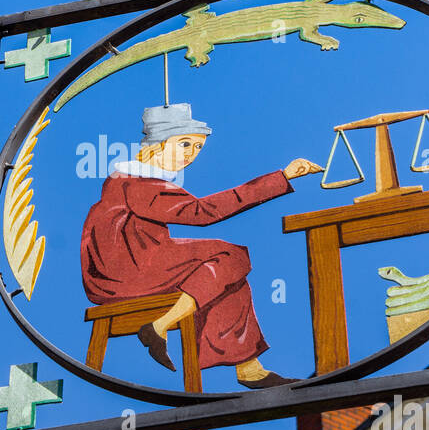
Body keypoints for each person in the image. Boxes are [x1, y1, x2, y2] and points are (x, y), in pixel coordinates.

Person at [80, 102, 322, 390]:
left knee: (228, 276)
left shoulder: (134, 181)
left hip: (135, 265)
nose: (190, 155)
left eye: (196, 148)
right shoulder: (137, 182)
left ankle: (248, 368)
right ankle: (162, 324)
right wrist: (281, 178)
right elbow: (202, 212)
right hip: (126, 272)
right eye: (184, 144)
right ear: (157, 144)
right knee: (229, 255)